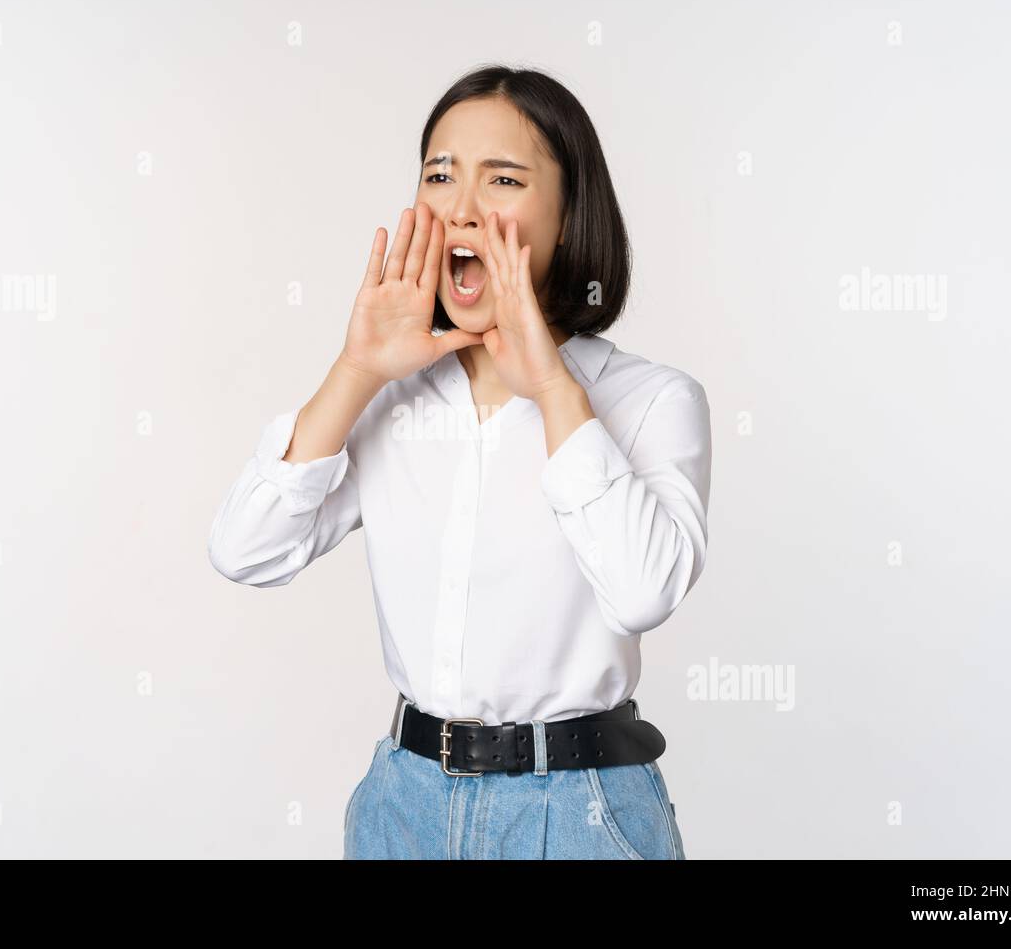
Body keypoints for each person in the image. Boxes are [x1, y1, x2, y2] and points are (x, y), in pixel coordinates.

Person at [208, 65, 711, 859]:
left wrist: (550, 385)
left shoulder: (651, 399)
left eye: (504, 179)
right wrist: (356, 370)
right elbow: (246, 551)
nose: (463, 207)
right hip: (403, 804)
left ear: (569, 211)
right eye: (439, 174)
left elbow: (645, 590)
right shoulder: (392, 396)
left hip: (579, 811)